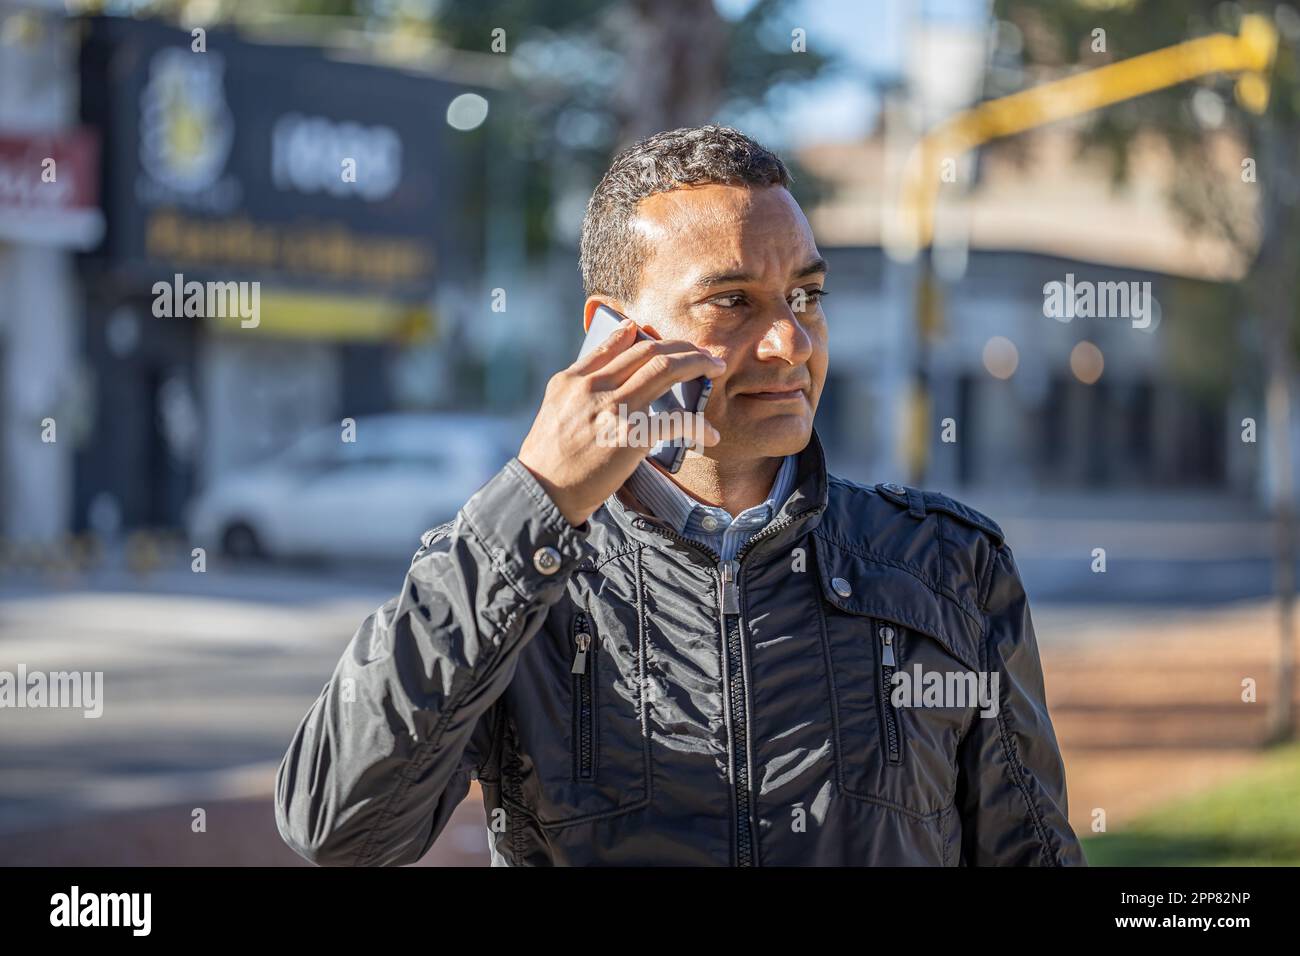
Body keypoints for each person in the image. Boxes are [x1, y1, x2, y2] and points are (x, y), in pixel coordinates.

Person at [274, 124, 1085, 866]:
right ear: (613, 336)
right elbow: (340, 829)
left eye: (805, 295)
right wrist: (538, 496)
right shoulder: (511, 576)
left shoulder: (948, 563)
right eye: (733, 302)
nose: (791, 342)